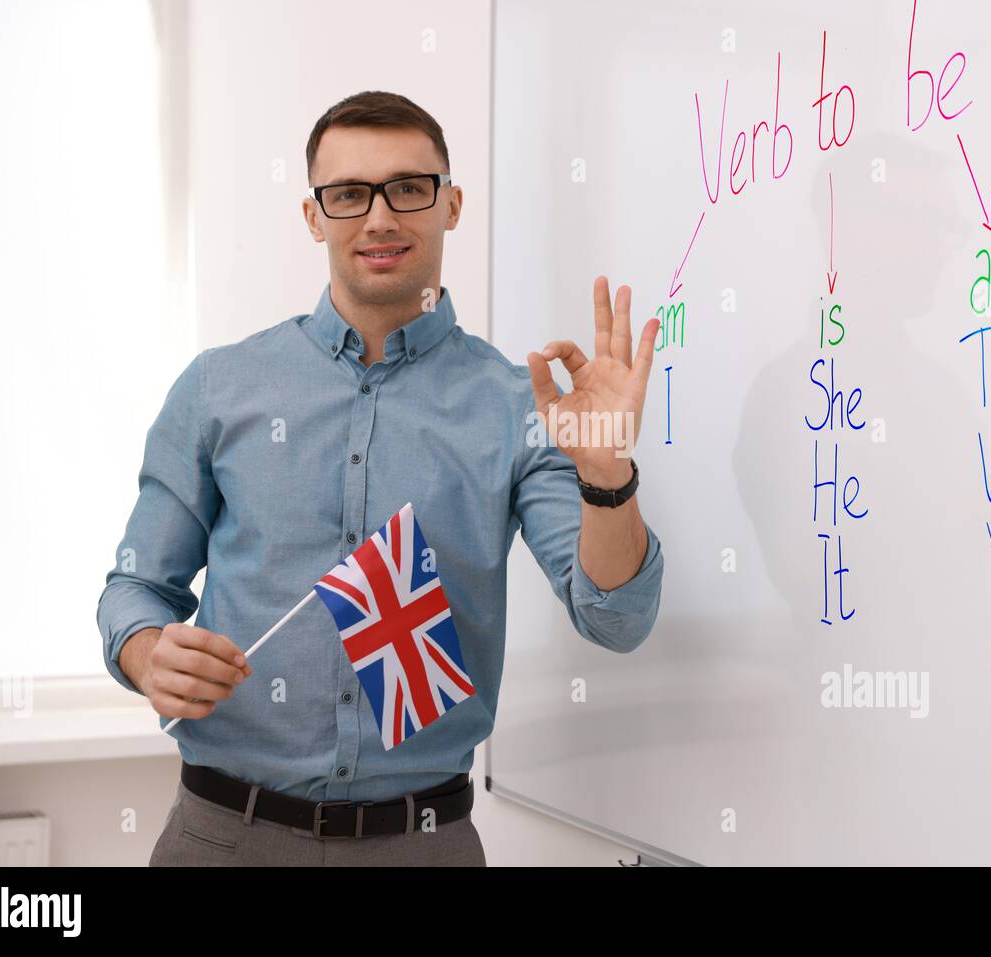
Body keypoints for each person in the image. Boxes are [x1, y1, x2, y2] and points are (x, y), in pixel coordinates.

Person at [95, 90, 665, 866]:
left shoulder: (514, 404)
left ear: (451, 203)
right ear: (314, 215)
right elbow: (134, 589)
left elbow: (616, 618)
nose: (379, 217)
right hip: (221, 837)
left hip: (422, 843)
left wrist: (606, 476)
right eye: (349, 194)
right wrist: (147, 651)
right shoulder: (218, 387)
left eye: (408, 187)